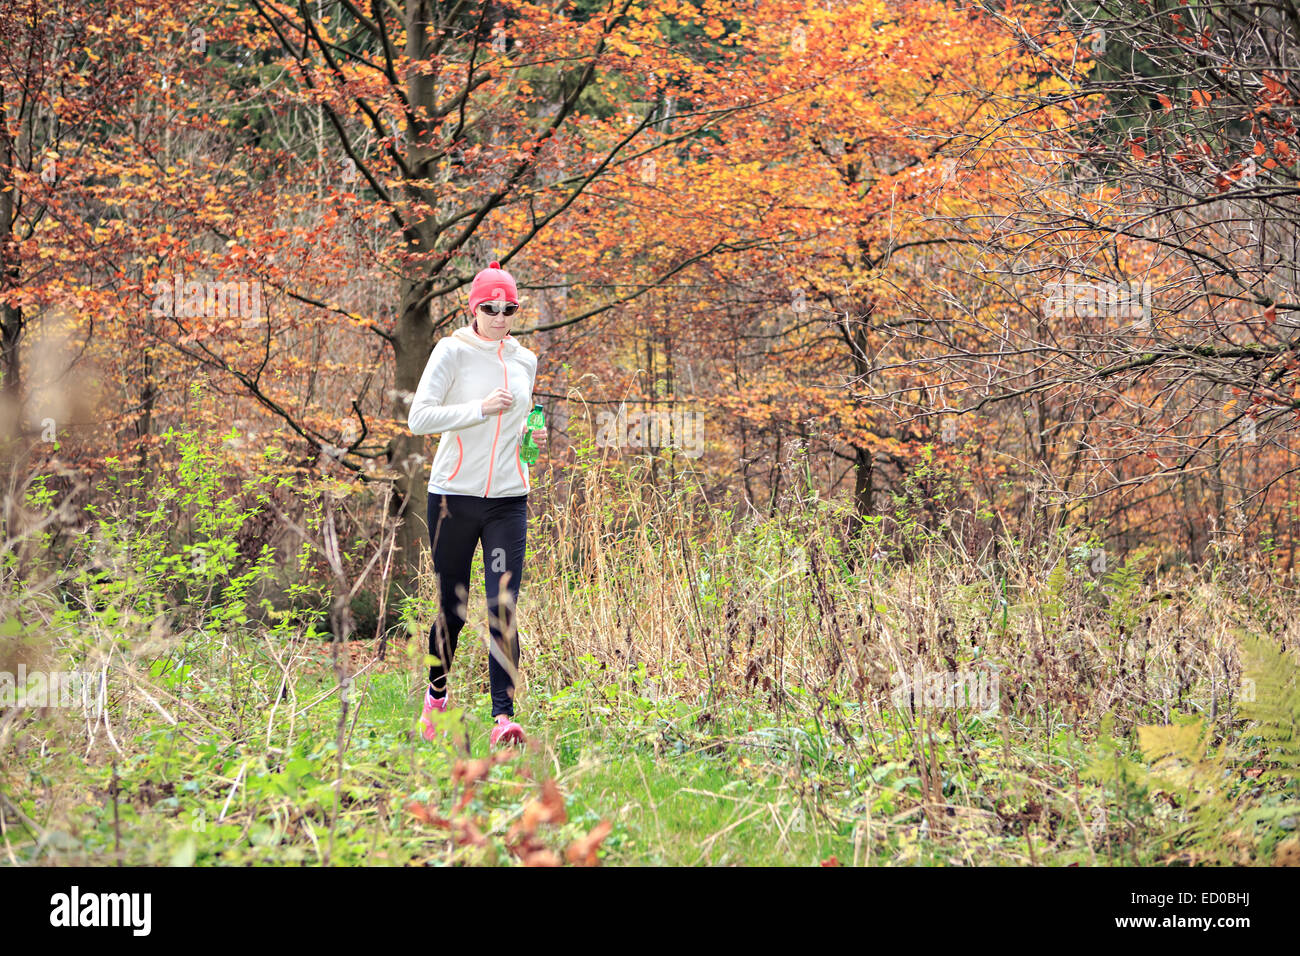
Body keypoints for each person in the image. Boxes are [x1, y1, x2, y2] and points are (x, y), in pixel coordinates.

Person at [406, 260, 546, 748]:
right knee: (453, 608)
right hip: (453, 497)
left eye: (509, 308)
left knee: (501, 607)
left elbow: (525, 418)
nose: (501, 315)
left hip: (508, 500)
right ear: (474, 308)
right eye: (491, 307)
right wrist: (479, 410)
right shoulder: (451, 352)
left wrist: (532, 432)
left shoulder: (525, 359)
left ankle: (503, 719)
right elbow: (419, 419)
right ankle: (436, 697)